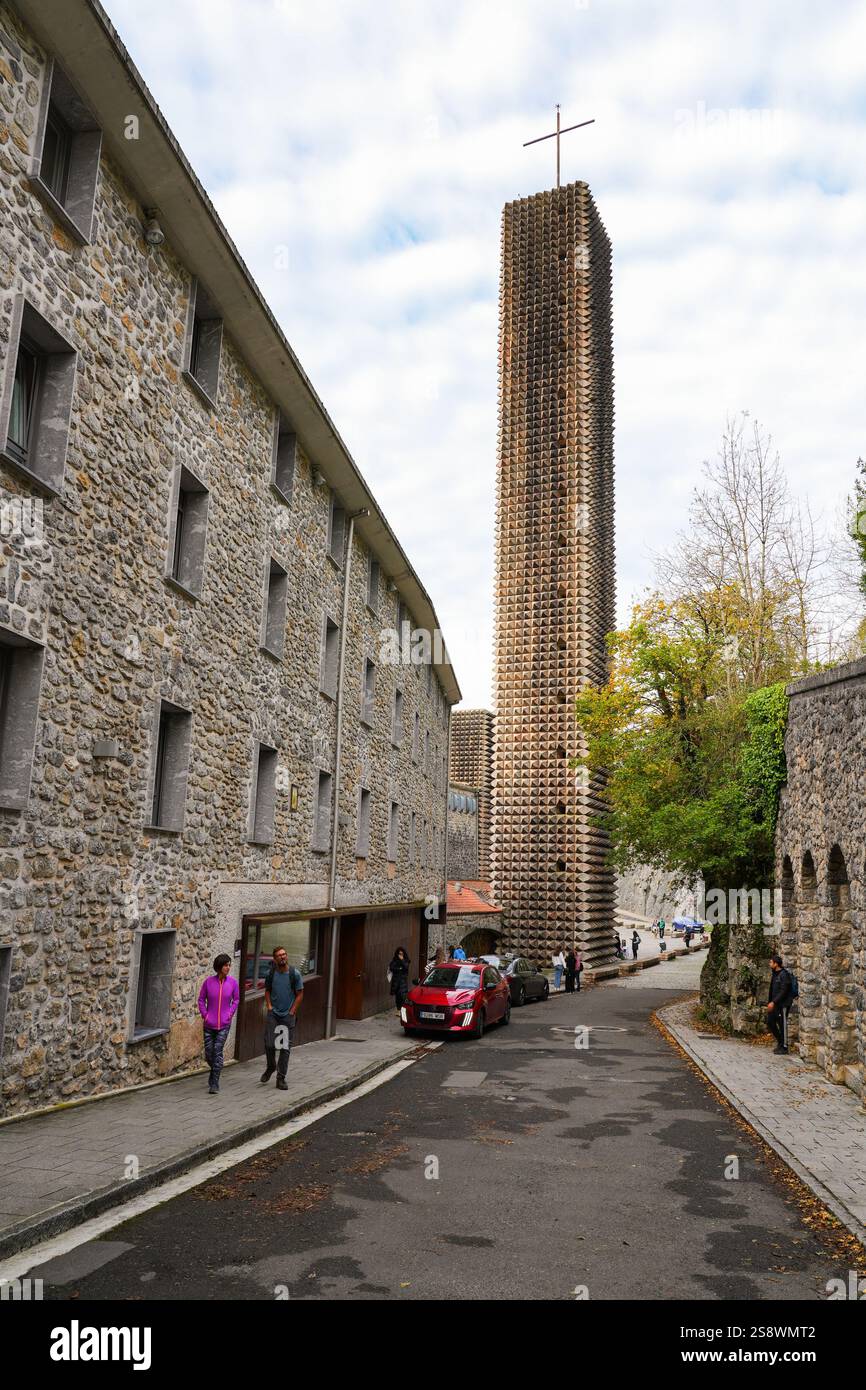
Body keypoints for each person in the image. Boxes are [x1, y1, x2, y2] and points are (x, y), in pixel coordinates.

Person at [261, 947, 304, 1090]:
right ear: (275, 959)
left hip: (287, 1016)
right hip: (274, 1014)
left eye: (284, 954)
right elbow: (267, 991)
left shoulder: (294, 974)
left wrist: (292, 1011)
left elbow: (300, 994)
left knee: (284, 1047)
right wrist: (269, 1006)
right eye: (279, 955)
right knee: (269, 1043)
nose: (282, 957)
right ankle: (271, 1066)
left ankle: (281, 1078)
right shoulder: (271, 974)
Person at [198, 954, 239, 1094]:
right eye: (226, 965)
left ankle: (214, 1083)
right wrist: (205, 1015)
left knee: (217, 1050)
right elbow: (201, 1000)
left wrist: (230, 1013)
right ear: (219, 966)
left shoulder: (232, 983)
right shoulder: (208, 983)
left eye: (229, 965)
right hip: (209, 1024)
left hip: (224, 1024)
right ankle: (214, 1070)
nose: (228, 967)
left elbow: (236, 1000)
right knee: (209, 1054)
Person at [766, 953, 794, 1055]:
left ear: (776, 964)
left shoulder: (784, 975)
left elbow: (784, 990)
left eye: (771, 962)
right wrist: (770, 1002)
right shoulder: (774, 974)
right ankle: (780, 1042)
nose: (769, 964)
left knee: (782, 1024)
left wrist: (774, 1002)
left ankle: (784, 1046)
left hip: (782, 1005)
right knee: (770, 1022)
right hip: (774, 1004)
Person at [388, 946, 410, 1012]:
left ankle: (402, 1010)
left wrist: (402, 960)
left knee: (402, 996)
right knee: (397, 996)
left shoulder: (406, 960)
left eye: (401, 954)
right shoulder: (395, 960)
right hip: (396, 981)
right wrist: (399, 969)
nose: (400, 955)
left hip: (403, 981)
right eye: (399, 954)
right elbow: (391, 967)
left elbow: (406, 967)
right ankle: (398, 1009)